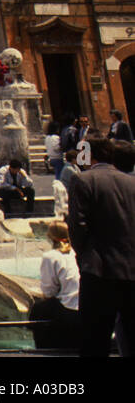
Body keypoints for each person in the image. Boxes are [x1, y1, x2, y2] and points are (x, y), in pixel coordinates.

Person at [66, 137, 135, 357]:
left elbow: (78, 227)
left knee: (95, 340)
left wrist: (82, 257)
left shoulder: (83, 180)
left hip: (99, 270)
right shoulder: (131, 181)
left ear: (89, 154)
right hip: (131, 269)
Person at [29, 220, 82, 351]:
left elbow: (49, 291)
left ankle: (44, 349)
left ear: (50, 237)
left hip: (70, 308)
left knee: (38, 310)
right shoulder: (76, 252)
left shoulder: (51, 256)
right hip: (86, 305)